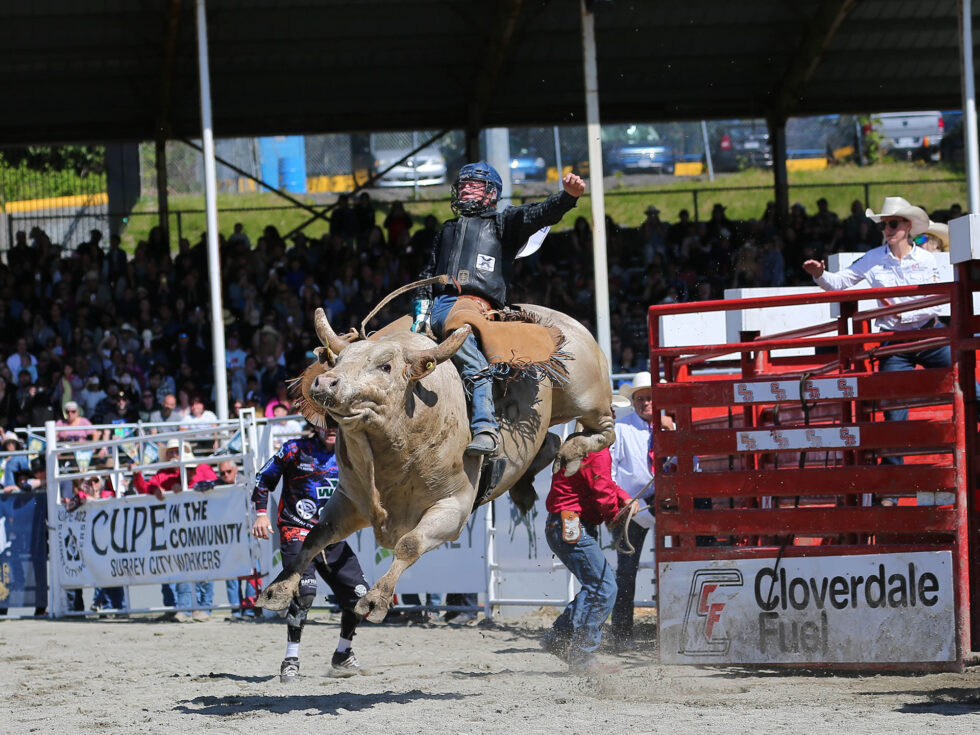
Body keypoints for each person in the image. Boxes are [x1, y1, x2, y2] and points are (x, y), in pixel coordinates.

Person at [411, 161, 585, 455]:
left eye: (475, 185)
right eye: (463, 184)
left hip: (476, 307)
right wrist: (420, 308)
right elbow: (429, 271)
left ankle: (485, 428)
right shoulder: (447, 229)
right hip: (437, 305)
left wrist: (567, 197)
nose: (466, 189)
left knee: (470, 356)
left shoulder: (504, 223)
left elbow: (539, 213)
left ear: (492, 194)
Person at [803, 196, 947, 464]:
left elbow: (934, 300)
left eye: (892, 224)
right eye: (884, 226)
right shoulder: (873, 258)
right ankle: (894, 481)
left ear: (906, 226)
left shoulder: (927, 260)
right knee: (893, 410)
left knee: (970, 389)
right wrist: (820, 275)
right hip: (897, 341)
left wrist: (901, 312)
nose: (887, 230)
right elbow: (839, 283)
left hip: (927, 336)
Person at [251, 417, 368, 682]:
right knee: (305, 593)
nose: (331, 429)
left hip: (333, 535)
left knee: (360, 599)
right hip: (298, 533)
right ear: (315, 425)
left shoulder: (351, 452)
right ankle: (290, 660)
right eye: (326, 424)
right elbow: (262, 479)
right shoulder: (294, 449)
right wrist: (260, 514)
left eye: (337, 423)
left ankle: (343, 652)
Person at [540, 445, 631, 676]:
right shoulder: (597, 450)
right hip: (571, 522)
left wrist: (624, 498)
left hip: (564, 522)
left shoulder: (579, 446)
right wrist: (614, 515)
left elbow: (601, 483)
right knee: (603, 587)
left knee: (596, 586)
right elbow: (602, 489)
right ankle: (583, 657)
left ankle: (560, 636)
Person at [608, 371, 675, 650]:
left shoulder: (672, 428)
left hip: (667, 503)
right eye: (641, 398)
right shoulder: (621, 429)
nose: (646, 403)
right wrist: (624, 499)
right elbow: (609, 472)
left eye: (650, 398)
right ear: (634, 402)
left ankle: (673, 628)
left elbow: (692, 464)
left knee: (672, 567)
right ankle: (622, 634)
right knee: (626, 572)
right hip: (632, 506)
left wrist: (673, 434)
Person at [132, 439, 218, 620]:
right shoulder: (166, 474)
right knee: (182, 566)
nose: (173, 455)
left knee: (203, 565)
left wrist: (186, 489)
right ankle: (186, 608)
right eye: (170, 452)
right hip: (177, 528)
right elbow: (146, 488)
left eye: (176, 452)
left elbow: (215, 487)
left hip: (201, 524)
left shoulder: (200, 469)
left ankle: (203, 608)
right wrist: (149, 483)